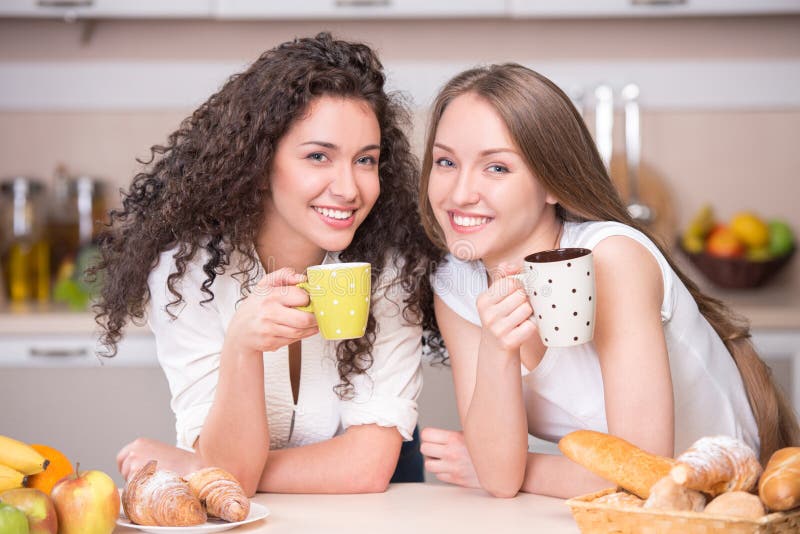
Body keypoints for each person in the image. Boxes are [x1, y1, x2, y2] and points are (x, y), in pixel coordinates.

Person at [417, 63, 799, 499]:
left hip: (722, 506)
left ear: (551, 182)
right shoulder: (457, 287)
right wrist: (496, 347)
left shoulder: (611, 260)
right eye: (445, 162)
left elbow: (646, 477)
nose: (459, 192)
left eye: (497, 168)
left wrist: (524, 469)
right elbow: (499, 478)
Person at [91, 33, 441, 495]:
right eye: (318, 156)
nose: (349, 188)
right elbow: (232, 479)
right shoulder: (188, 272)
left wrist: (199, 467)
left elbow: (366, 469)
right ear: (258, 163)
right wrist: (242, 346)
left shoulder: (392, 268)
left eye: (365, 160)